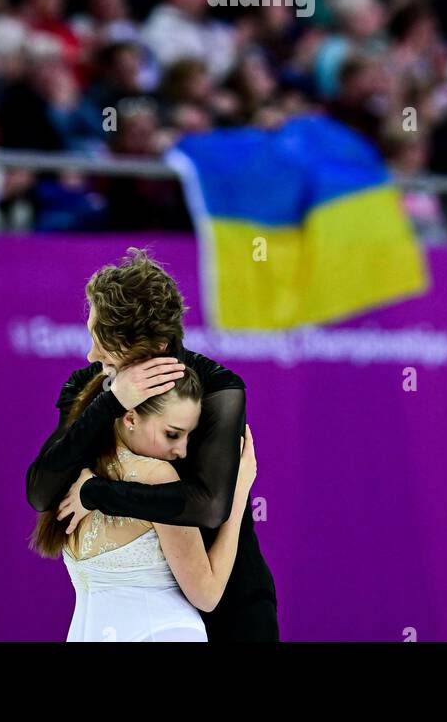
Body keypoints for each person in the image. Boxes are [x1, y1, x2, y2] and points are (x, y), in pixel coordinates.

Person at [27, 248, 278, 641]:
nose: (91, 354)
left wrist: (97, 492)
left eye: (104, 342)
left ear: (153, 347)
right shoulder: (89, 386)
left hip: (230, 607)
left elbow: (208, 507)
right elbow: (42, 491)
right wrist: (110, 402)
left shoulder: (217, 389)